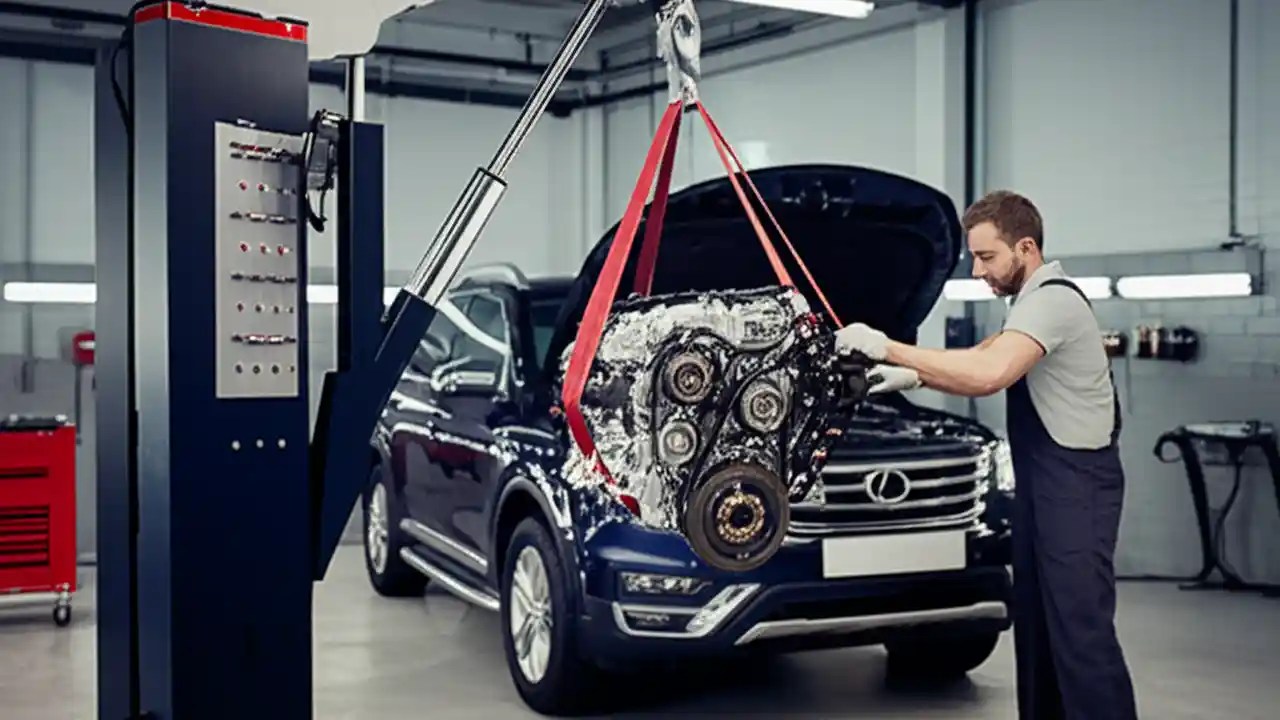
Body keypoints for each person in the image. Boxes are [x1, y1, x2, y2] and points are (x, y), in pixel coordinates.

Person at [837, 190, 1138, 720]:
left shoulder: (1054, 300)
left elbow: (989, 375)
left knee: (1081, 635)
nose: (977, 270)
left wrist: (889, 347)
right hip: (1045, 491)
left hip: (1078, 491)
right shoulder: (1029, 303)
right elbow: (985, 354)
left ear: (1026, 247)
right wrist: (914, 374)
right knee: (1041, 633)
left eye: (987, 256)